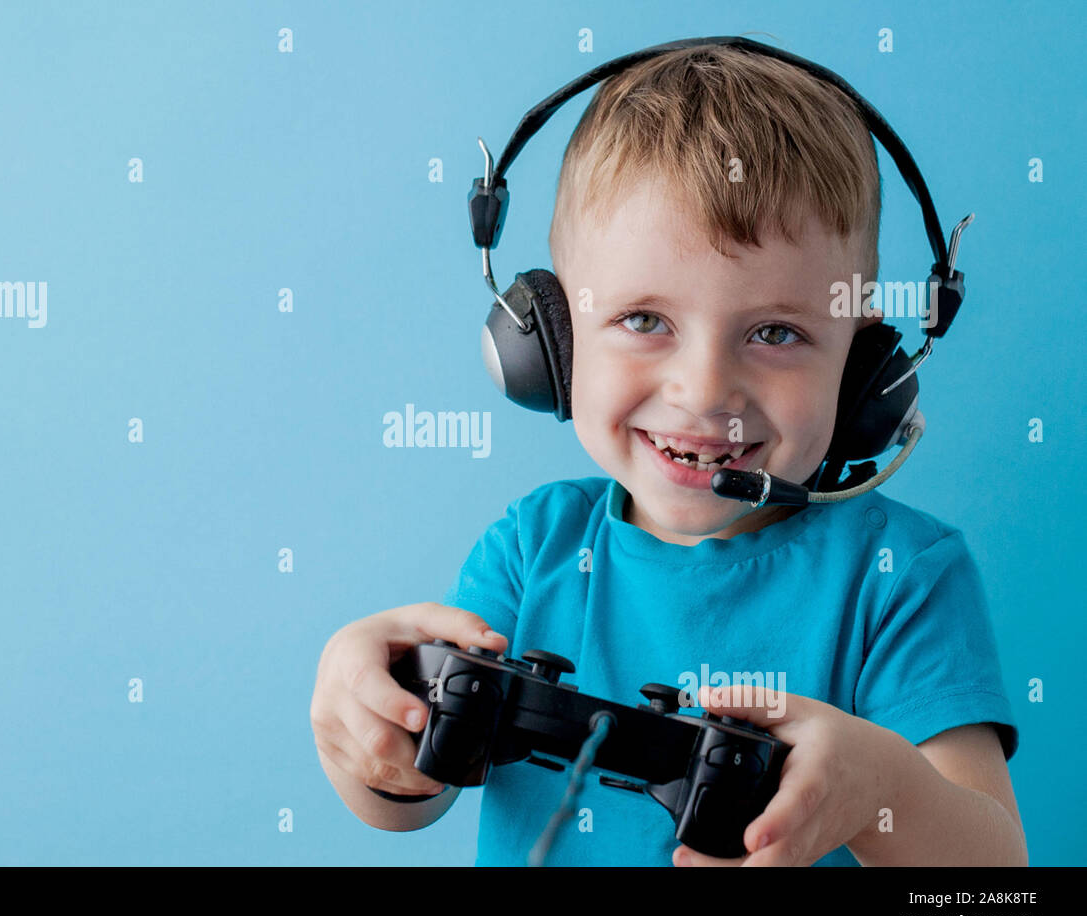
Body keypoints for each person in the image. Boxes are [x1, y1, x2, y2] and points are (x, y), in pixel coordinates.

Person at [309, 43, 1024, 866]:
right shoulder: (532, 547)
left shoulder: (905, 576)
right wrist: (360, 708)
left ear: (865, 381)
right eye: (645, 320)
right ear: (554, 347)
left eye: (777, 333)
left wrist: (885, 792)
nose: (703, 389)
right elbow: (407, 801)